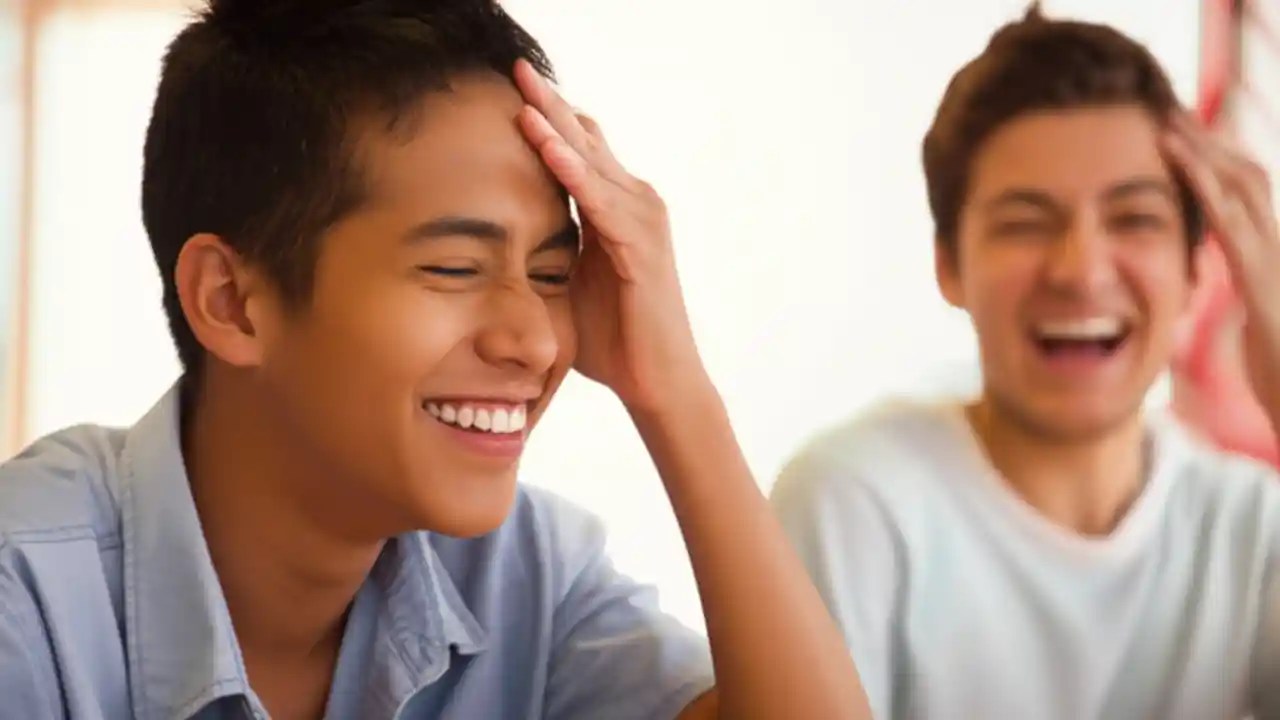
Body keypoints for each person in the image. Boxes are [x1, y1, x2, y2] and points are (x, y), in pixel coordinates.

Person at [0, 1, 868, 718]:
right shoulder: (26, 591)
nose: (533, 340)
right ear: (231, 300)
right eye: (455, 268)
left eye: (552, 273)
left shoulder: (527, 572)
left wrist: (674, 390)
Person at [771, 7, 1280, 720]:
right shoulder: (852, 503)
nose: (1079, 270)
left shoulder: (1253, 527)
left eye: (1134, 218)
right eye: (1024, 222)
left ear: (1198, 267)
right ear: (948, 264)